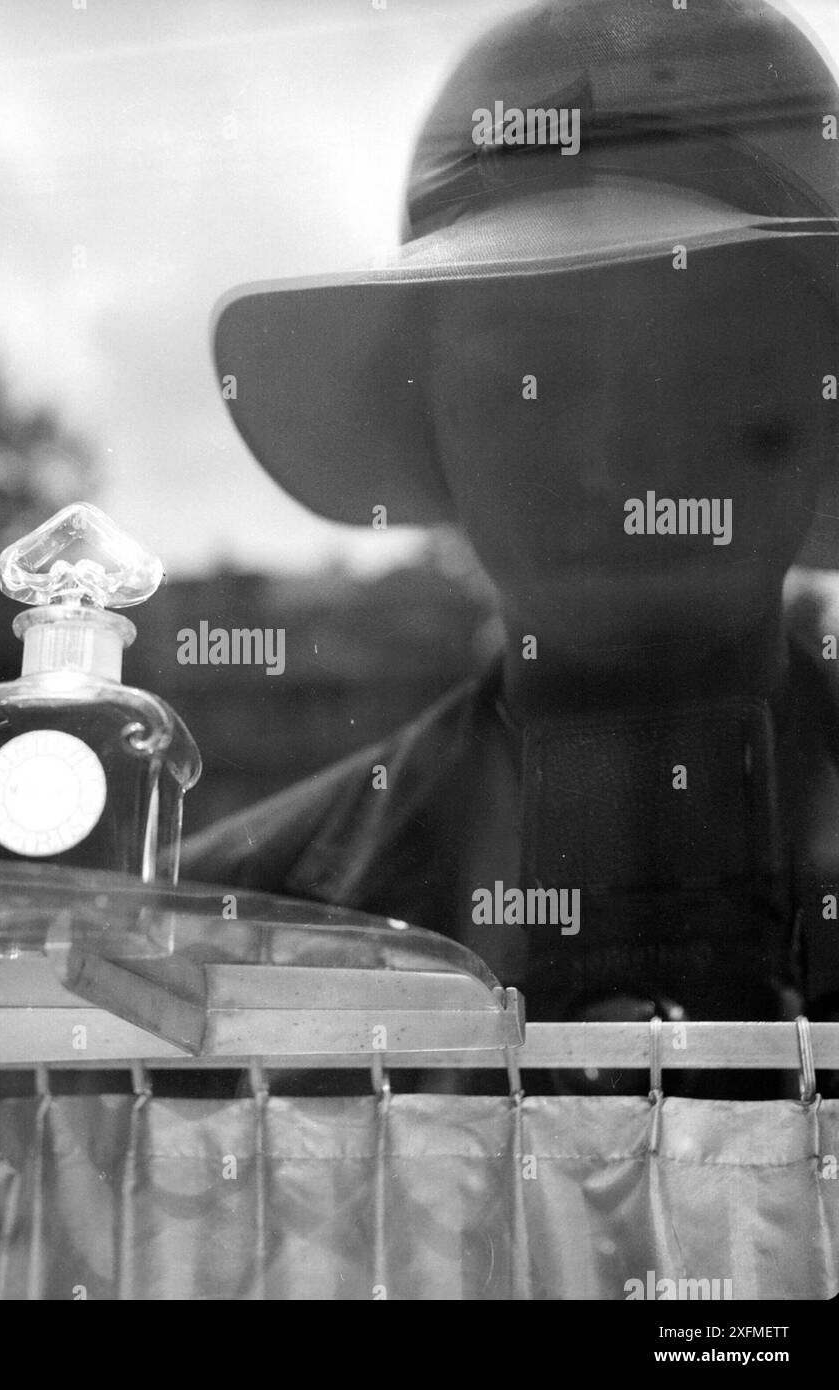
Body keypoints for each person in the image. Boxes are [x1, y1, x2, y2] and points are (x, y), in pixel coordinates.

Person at [181, 0, 839, 1095]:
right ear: (427, 419)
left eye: (701, 356)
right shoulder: (220, 961)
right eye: (529, 370)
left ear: (822, 406)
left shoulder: (249, 933)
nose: (611, 451)